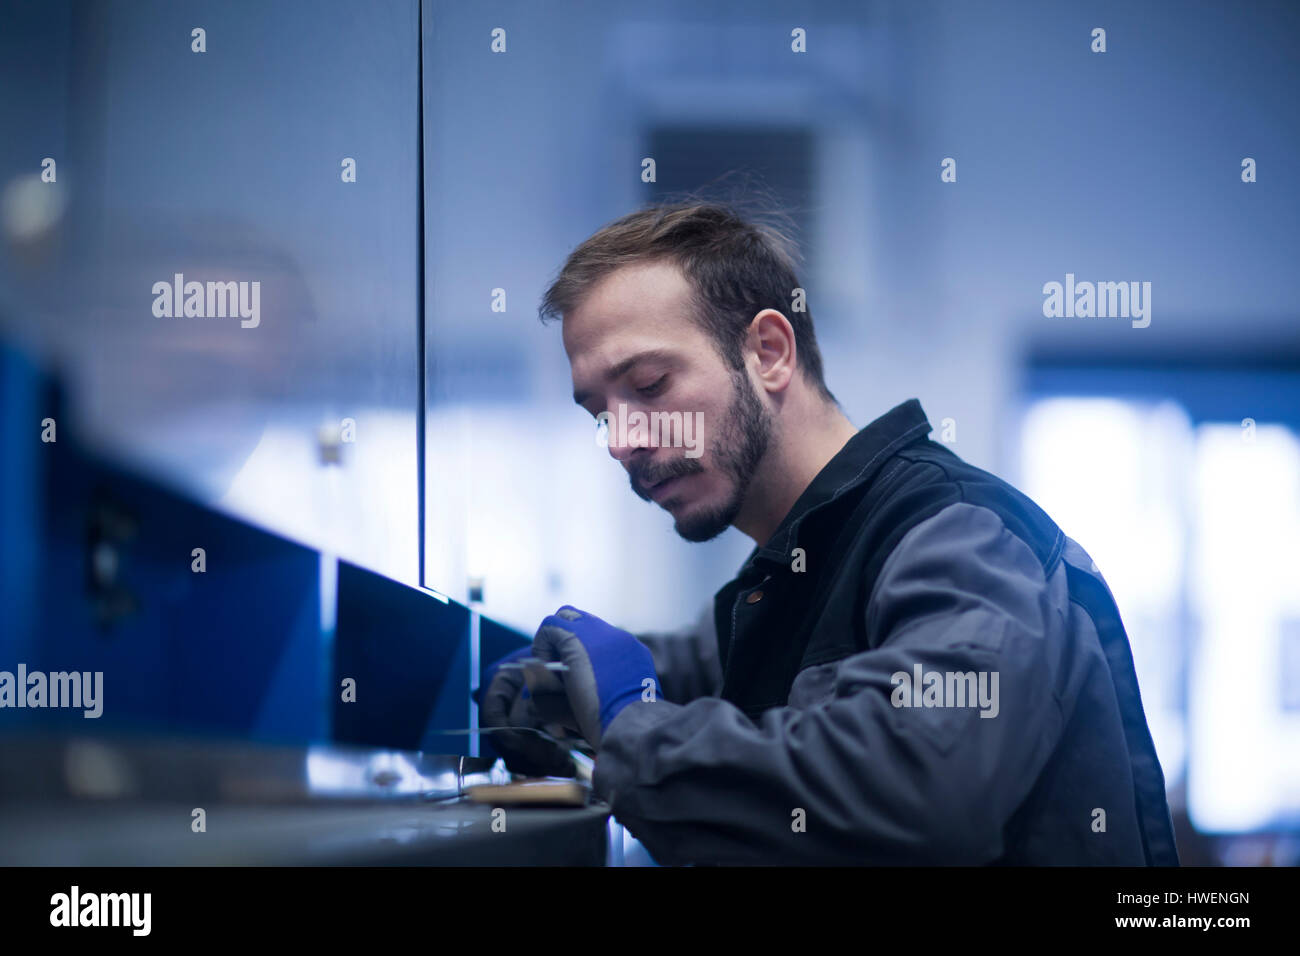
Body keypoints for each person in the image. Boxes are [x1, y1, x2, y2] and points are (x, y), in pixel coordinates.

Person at [479, 200, 1180, 866]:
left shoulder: (957, 535)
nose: (621, 440)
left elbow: (921, 787)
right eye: (598, 411)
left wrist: (629, 723)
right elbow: (702, 669)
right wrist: (558, 696)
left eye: (651, 383)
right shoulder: (795, 574)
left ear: (770, 352)